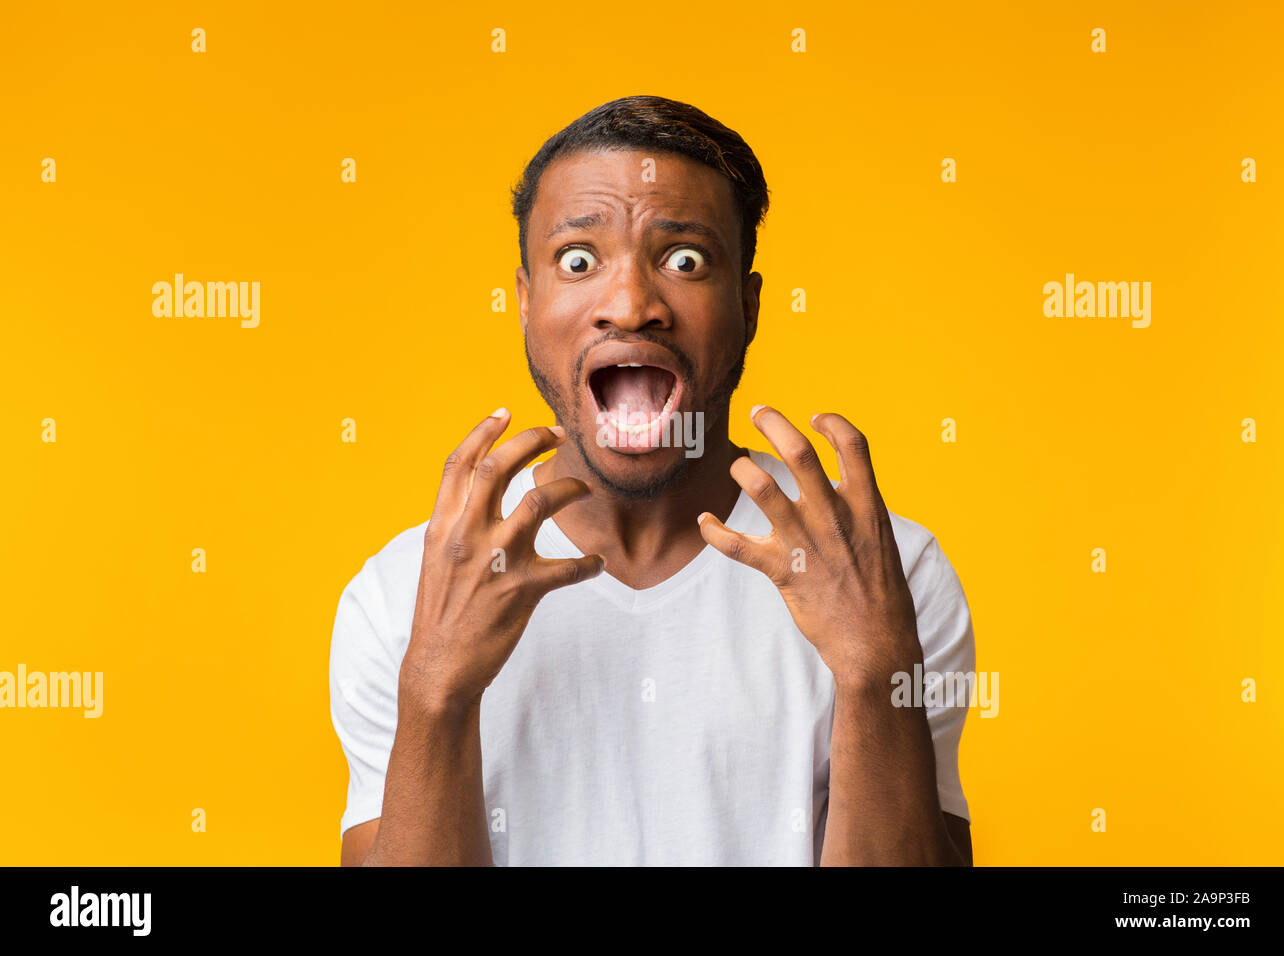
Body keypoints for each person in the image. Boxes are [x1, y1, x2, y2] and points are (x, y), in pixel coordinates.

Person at [329, 95, 976, 865]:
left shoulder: (888, 571)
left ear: (748, 305)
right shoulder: (404, 592)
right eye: (578, 260)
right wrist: (434, 693)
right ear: (526, 304)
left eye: (685, 260)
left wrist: (875, 669)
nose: (631, 306)